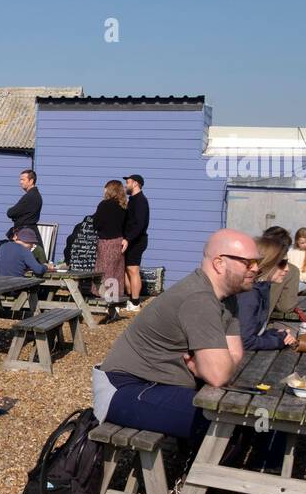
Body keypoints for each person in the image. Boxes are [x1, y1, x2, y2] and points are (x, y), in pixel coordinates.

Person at [92, 229, 254, 442]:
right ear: (219, 263)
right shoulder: (199, 298)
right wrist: (212, 368)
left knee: (252, 417)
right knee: (235, 420)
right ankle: (217, 473)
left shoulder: (227, 299)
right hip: (125, 389)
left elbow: (235, 355)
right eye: (248, 263)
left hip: (161, 385)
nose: (257, 269)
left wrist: (211, 368)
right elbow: (219, 375)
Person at [234, 236, 298, 351]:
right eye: (282, 263)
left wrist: (275, 334)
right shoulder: (249, 295)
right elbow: (244, 341)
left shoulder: (261, 287)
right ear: (267, 263)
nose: (287, 269)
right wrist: (279, 341)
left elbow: (252, 332)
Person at [92, 179, 127, 319]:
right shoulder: (123, 206)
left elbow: (96, 223)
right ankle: (114, 305)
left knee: (105, 273)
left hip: (106, 241)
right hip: (118, 241)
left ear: (110, 190)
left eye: (105, 188)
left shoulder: (104, 205)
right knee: (116, 273)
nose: (103, 191)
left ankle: (107, 305)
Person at [120, 174, 149, 312]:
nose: (126, 185)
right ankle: (130, 298)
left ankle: (136, 302)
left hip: (137, 241)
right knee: (126, 270)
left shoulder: (141, 201)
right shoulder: (131, 200)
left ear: (136, 184)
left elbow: (140, 224)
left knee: (133, 270)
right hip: (128, 240)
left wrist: (128, 239)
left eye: (128, 182)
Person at [261, 226, 299, 317]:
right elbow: (286, 306)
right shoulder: (291, 270)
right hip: (257, 325)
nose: (286, 269)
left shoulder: (249, 263)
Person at [6, 169, 42, 233]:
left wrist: (15, 217)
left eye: (23, 180)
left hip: (25, 234)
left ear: (31, 181)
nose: (21, 182)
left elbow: (11, 213)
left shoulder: (30, 196)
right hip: (28, 232)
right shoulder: (35, 195)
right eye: (20, 180)